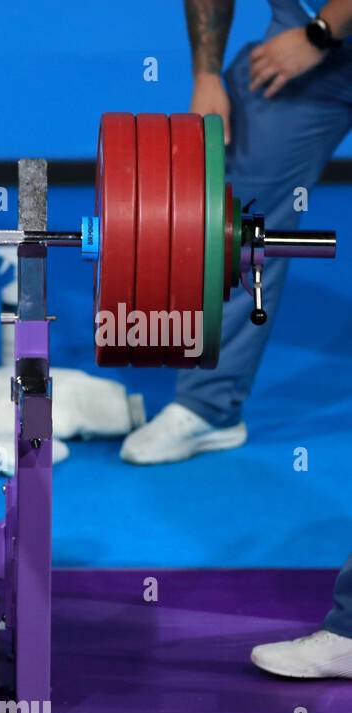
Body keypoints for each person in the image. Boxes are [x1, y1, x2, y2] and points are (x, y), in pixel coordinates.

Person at [121, 0, 352, 464]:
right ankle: (209, 405)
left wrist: (322, 32)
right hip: (308, 32)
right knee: (237, 214)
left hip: (319, 30)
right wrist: (205, 76)